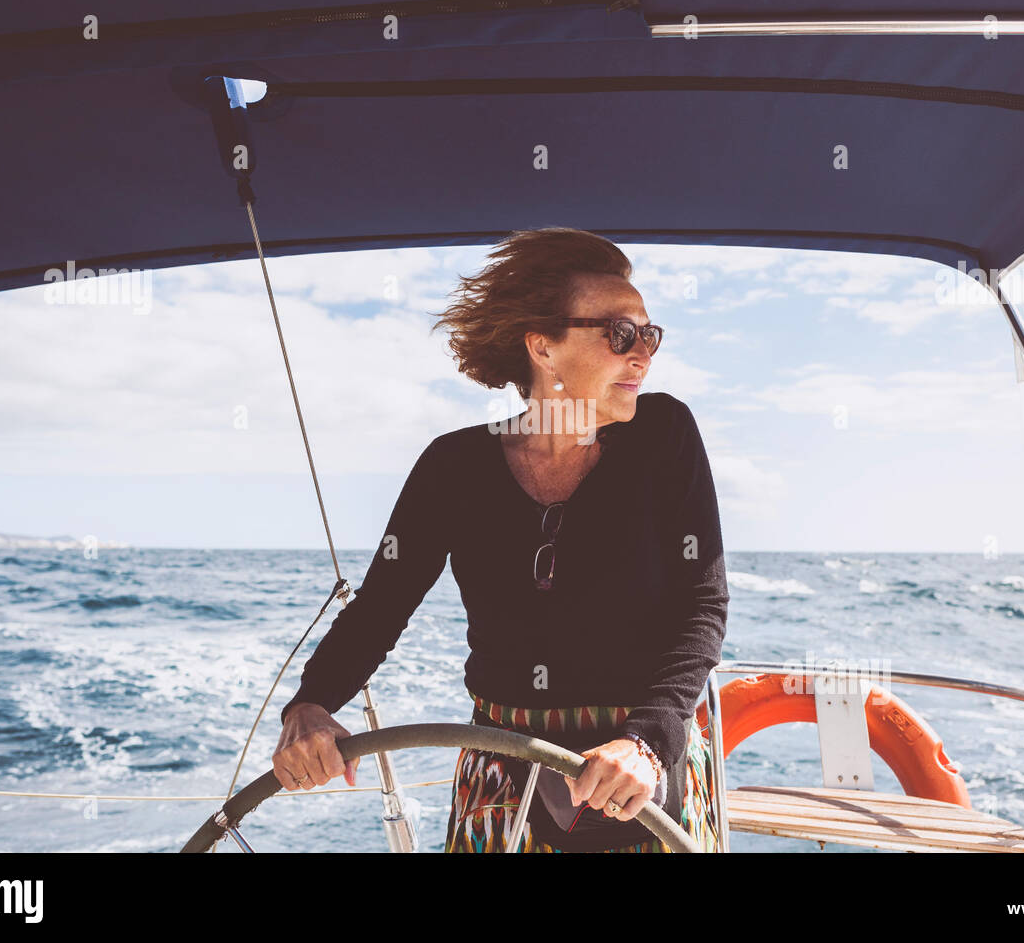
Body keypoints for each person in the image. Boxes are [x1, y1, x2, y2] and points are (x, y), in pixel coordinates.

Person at [272, 226, 728, 852]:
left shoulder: (665, 435)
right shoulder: (453, 467)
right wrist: (312, 703)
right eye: (621, 333)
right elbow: (379, 611)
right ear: (543, 347)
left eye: (649, 334)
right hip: (504, 764)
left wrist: (648, 742)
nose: (643, 353)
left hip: (641, 764)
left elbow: (701, 604)